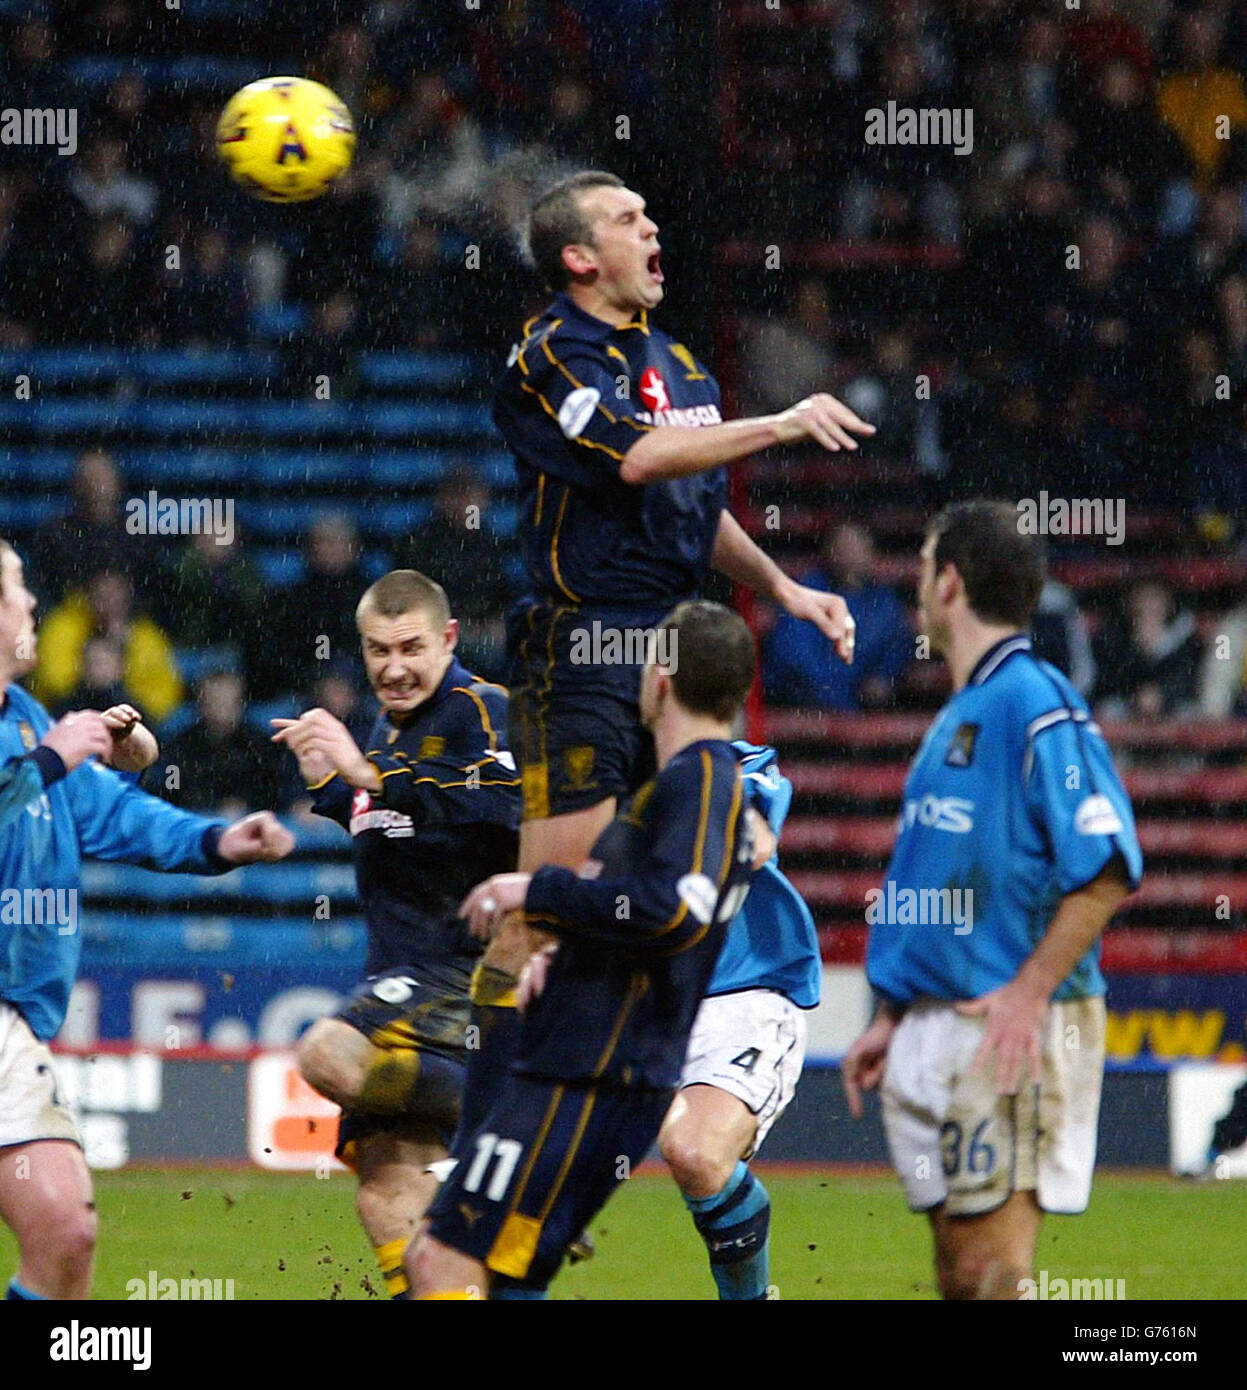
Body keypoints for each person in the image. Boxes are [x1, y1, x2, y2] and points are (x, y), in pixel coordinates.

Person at [462, 168, 873, 1147]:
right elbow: (636, 458)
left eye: (651, 213)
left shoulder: (682, 366)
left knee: (686, 874)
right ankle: (478, 1131)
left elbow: (692, 509)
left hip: (677, 648)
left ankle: (686, 1078)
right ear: (577, 256)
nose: (653, 229)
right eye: (627, 219)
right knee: (548, 915)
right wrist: (775, 423)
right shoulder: (548, 351)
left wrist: (783, 589)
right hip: (586, 646)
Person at [406, 600, 758, 1300]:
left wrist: (537, 891)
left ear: (659, 679)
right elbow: (644, 916)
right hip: (594, 1065)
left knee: (440, 1260)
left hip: (588, 1074)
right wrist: (560, 958)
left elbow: (672, 910)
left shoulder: (699, 781)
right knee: (506, 1274)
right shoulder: (686, 787)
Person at [841, 500, 1142, 1300]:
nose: (914, 586)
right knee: (956, 1275)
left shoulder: (1035, 701)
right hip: (933, 1019)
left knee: (992, 1275)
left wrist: (1029, 994)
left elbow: (1106, 861)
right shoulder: (958, 715)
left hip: (1007, 1024)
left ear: (949, 583)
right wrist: (891, 1013)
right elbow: (926, 883)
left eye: (921, 569)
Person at [0, 540, 295, 1301]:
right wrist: (46, 768)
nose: (32, 603)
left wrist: (214, 841)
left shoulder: (28, 722)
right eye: (15, 592)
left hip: (8, 1027)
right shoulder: (40, 748)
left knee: (67, 1232)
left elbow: (114, 812)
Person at [271, 569, 520, 1301]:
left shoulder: (487, 709)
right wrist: (333, 790)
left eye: (411, 646)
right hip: (397, 977)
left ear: (448, 638)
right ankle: (498, 1187)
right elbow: (397, 819)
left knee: (325, 1053)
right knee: (384, 1194)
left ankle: (519, 1139)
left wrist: (373, 776)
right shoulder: (386, 727)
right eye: (378, 650)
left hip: (464, 977)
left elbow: (507, 808)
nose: (394, 666)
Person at [658, 738, 819, 1301]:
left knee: (697, 1154)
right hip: (632, 1010)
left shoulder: (731, 762)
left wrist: (743, 821)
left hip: (739, 996)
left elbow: (755, 815)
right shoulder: (589, 776)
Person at [763, 522, 912, 710]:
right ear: (829, 550)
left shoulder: (885, 602)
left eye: (856, 546)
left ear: (870, 551)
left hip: (863, 708)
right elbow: (790, 652)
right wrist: (831, 693)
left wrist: (883, 676)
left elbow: (897, 649)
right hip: (805, 704)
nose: (849, 554)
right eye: (842, 546)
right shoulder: (806, 591)